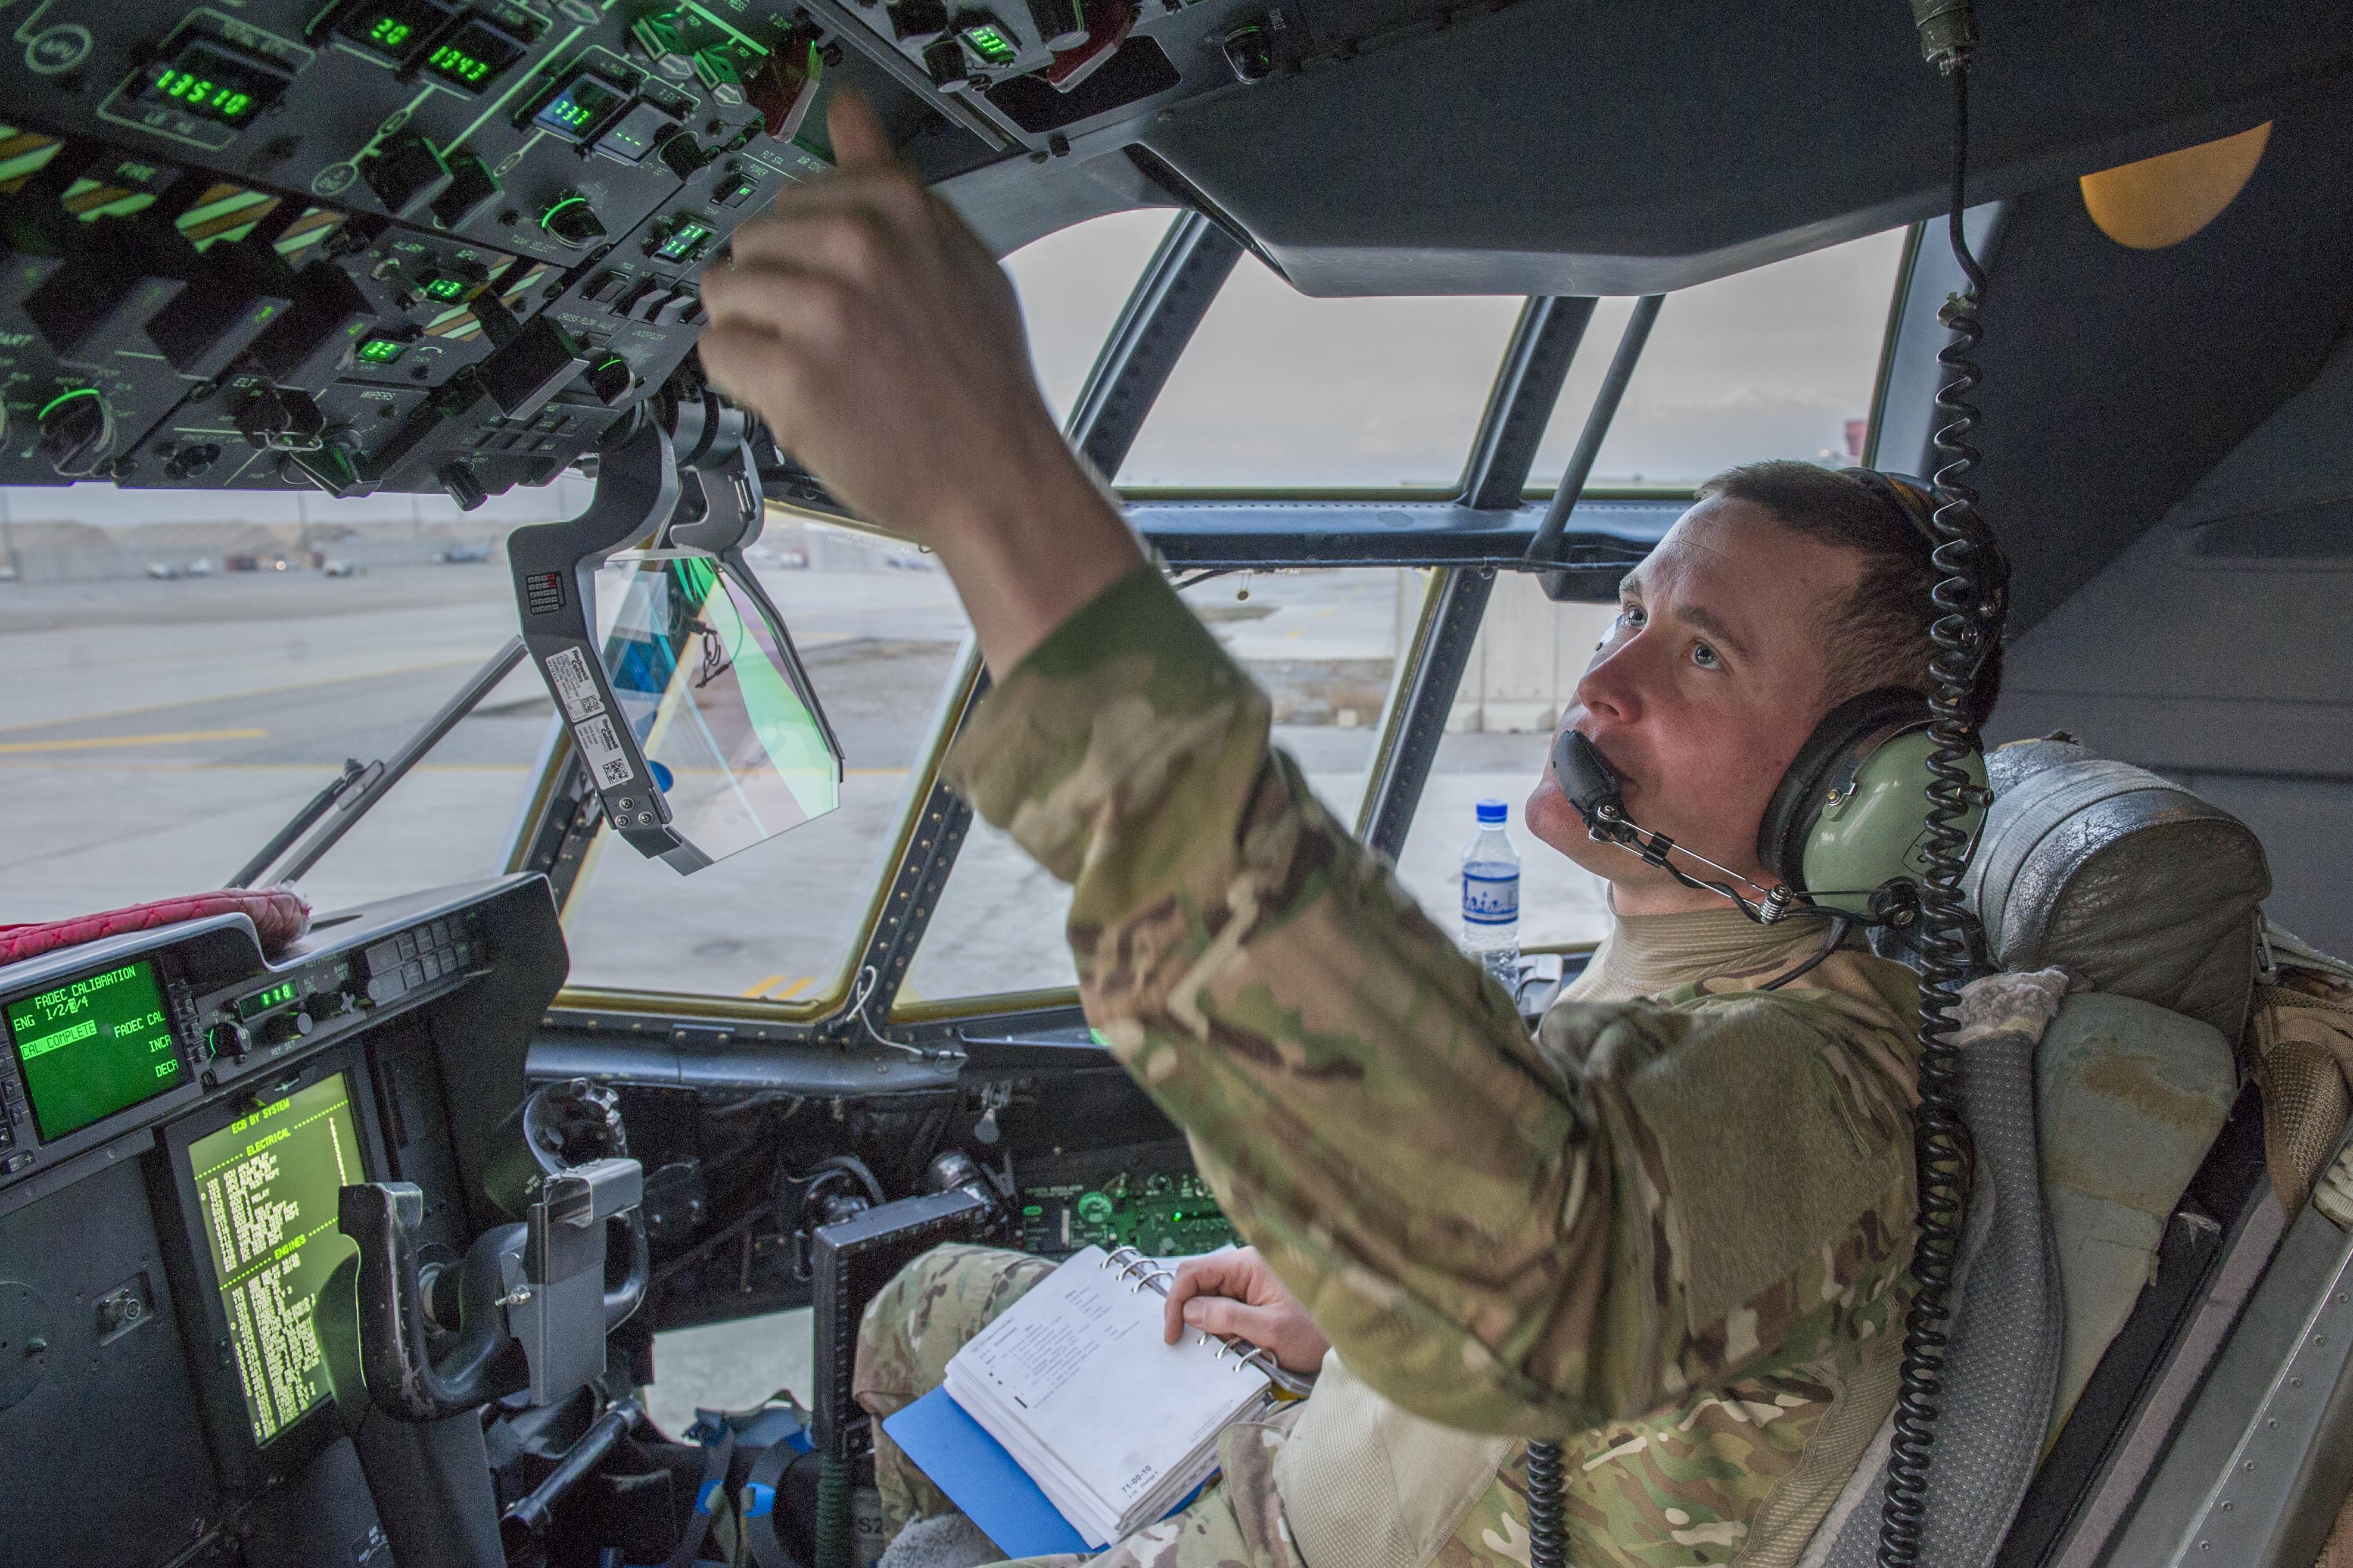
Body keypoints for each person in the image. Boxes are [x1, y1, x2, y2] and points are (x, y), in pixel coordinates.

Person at [698, 92, 1995, 1568]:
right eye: (1631, 611)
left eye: (1703, 654)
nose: (1605, 678)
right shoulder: (1697, 973)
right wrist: (1350, 1322)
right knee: (917, 1305)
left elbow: (1555, 1243)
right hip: (1335, 1437)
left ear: (1860, 795)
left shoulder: (1835, 1083)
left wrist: (995, 488)